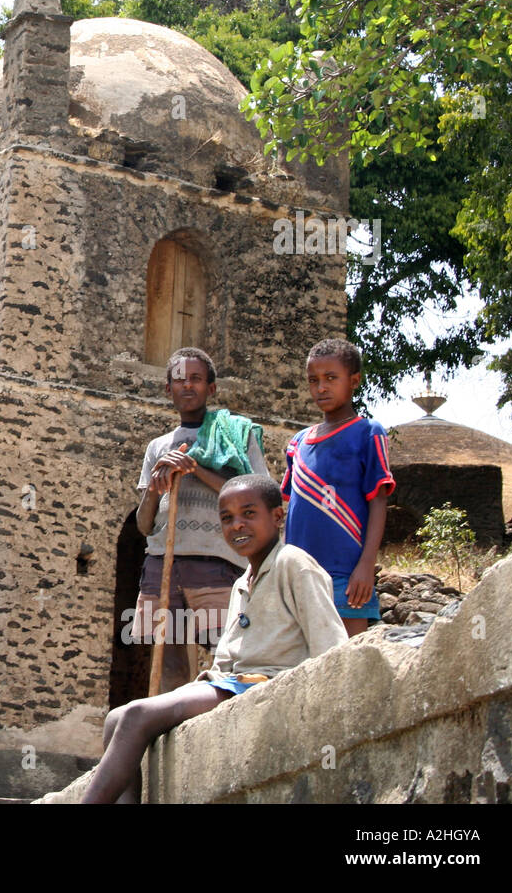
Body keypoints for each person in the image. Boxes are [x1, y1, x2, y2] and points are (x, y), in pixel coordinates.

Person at [82, 474, 348, 804]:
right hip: (231, 681)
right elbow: (227, 656)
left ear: (277, 516)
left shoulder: (293, 564)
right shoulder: (242, 583)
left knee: (137, 715)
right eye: (227, 518)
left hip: (265, 682)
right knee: (115, 719)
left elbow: (330, 643)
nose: (237, 525)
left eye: (249, 514)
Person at [131, 348, 268, 692]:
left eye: (196, 379)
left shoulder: (235, 437)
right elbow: (144, 525)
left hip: (217, 564)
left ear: (212, 388)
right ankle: (170, 736)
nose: (187, 386)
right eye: (179, 380)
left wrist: (196, 470)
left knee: (230, 657)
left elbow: (257, 496)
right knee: (168, 664)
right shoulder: (158, 447)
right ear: (168, 390)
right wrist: (155, 488)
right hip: (162, 564)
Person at [281, 338, 395, 637]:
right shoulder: (298, 443)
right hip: (299, 575)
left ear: (354, 381)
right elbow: (292, 509)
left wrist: (367, 565)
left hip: (346, 575)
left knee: (347, 663)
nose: (321, 387)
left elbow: (378, 502)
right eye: (313, 380)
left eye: (331, 378)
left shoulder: (368, 433)